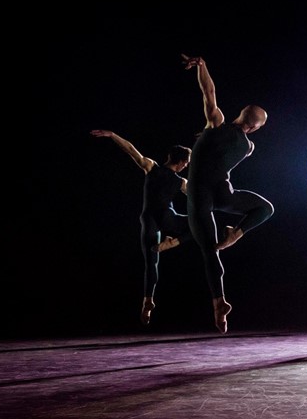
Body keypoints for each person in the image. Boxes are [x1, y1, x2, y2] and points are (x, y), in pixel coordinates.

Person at [182, 54, 275, 333]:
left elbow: (208, 91)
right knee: (265, 208)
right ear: (256, 128)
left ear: (240, 114)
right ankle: (238, 232)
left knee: (210, 252)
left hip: (198, 195)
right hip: (223, 193)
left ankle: (219, 302)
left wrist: (202, 64)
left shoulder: (216, 123)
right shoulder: (249, 147)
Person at [92, 129, 192, 325]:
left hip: (149, 220)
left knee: (151, 263)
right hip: (168, 218)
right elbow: (199, 201)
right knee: (201, 224)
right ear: (181, 162)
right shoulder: (181, 182)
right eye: (186, 163)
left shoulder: (151, 167)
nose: (186, 165)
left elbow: (131, 150)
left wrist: (112, 135)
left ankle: (148, 300)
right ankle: (174, 242)